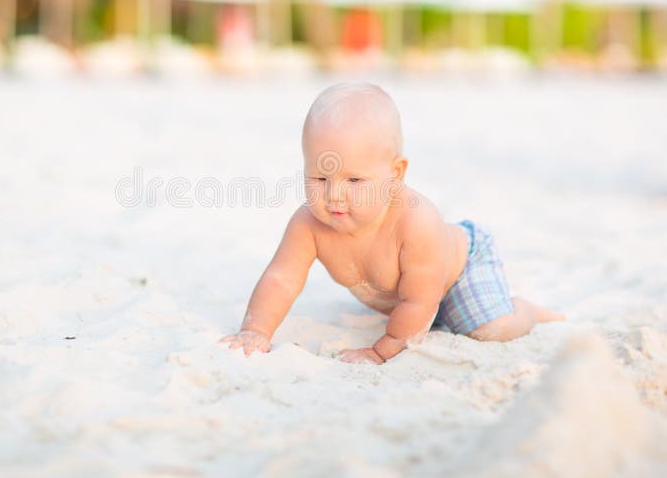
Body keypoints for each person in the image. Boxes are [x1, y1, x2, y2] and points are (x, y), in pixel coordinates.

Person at [218, 82, 564, 364]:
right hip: (412, 298)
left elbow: (418, 303)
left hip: (459, 271)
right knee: (430, 315)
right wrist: (256, 330)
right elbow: (281, 278)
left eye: (354, 181)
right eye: (319, 179)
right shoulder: (309, 225)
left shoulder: (415, 221)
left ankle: (526, 310)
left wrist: (382, 350)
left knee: (488, 327)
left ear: (395, 174)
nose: (334, 196)